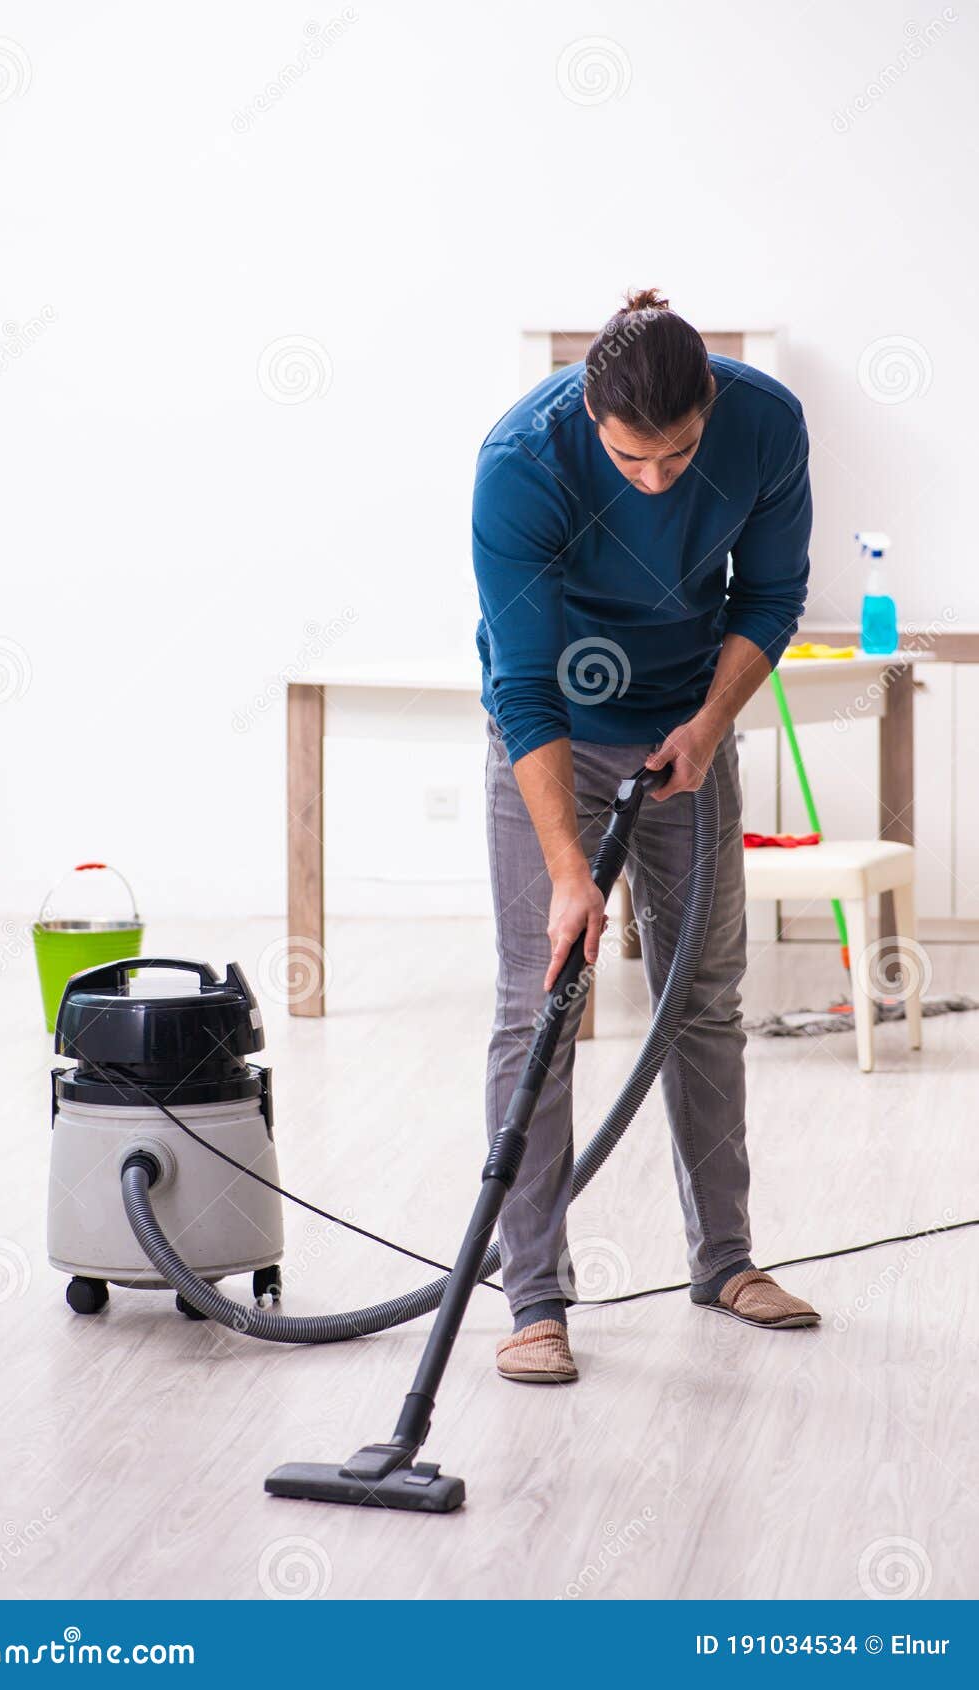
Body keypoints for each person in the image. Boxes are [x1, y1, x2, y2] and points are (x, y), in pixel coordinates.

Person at [472, 288, 820, 1385]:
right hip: (555, 736)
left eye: (679, 455)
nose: (659, 479)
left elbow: (772, 594)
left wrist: (711, 725)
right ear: (588, 413)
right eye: (632, 460)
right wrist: (573, 875)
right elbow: (523, 685)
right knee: (543, 1002)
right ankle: (534, 1297)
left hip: (687, 725)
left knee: (701, 998)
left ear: (710, 404)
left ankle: (724, 1259)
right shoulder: (522, 463)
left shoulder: (765, 424)